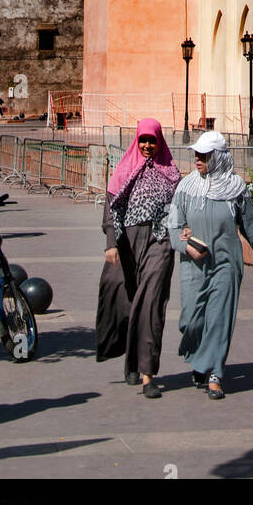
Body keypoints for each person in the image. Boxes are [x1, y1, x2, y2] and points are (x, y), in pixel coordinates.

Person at [168, 130, 253, 400]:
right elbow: (173, 225)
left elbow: (250, 224)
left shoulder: (235, 189)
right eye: (196, 154)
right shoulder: (186, 187)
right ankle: (199, 359)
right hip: (193, 266)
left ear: (218, 157)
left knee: (219, 318)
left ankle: (214, 373)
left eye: (204, 155)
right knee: (192, 320)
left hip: (226, 264)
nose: (198, 159)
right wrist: (185, 246)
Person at [95, 119, 180, 398]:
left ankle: (147, 374)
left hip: (160, 242)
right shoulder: (124, 168)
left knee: (151, 304)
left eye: (152, 141)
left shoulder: (171, 172)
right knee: (126, 302)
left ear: (160, 141)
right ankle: (130, 362)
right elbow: (111, 209)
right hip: (128, 242)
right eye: (143, 140)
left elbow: (180, 207)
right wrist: (111, 244)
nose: (147, 146)